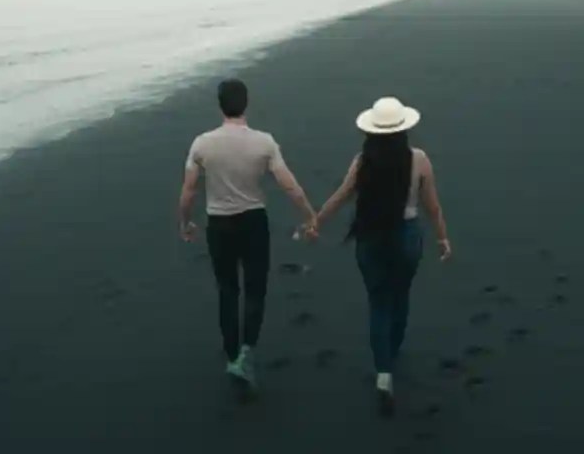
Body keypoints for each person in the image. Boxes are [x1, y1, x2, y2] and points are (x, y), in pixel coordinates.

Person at [305, 96, 452, 416]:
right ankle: (394, 349)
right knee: (401, 296)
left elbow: (341, 197)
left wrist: (316, 222)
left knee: (378, 302)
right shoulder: (420, 160)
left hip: (371, 239)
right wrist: (442, 238)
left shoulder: (362, 163)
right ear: (403, 129)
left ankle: (383, 374)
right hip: (407, 237)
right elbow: (432, 206)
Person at [178, 78, 319, 396]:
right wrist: (309, 215)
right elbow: (288, 184)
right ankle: (246, 352)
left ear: (220, 105)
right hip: (253, 221)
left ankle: (231, 356)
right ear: (246, 103)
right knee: (255, 290)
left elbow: (189, 191)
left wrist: (185, 222)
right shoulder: (264, 142)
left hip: (219, 224)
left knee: (227, 291)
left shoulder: (202, 143)